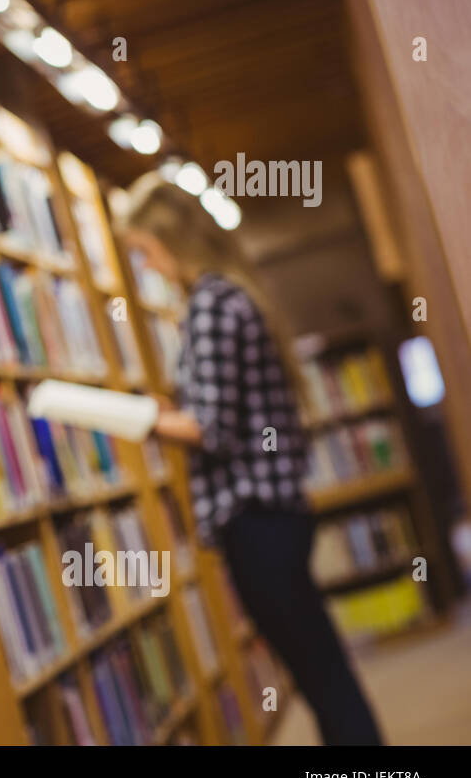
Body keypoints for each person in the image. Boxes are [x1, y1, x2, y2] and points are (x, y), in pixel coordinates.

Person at [120, 174, 384, 746]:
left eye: (144, 251)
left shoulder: (210, 304)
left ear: (170, 237)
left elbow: (213, 429)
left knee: (320, 672)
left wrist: (142, 418)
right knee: (320, 666)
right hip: (275, 513)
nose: (146, 265)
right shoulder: (233, 295)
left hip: (255, 518)